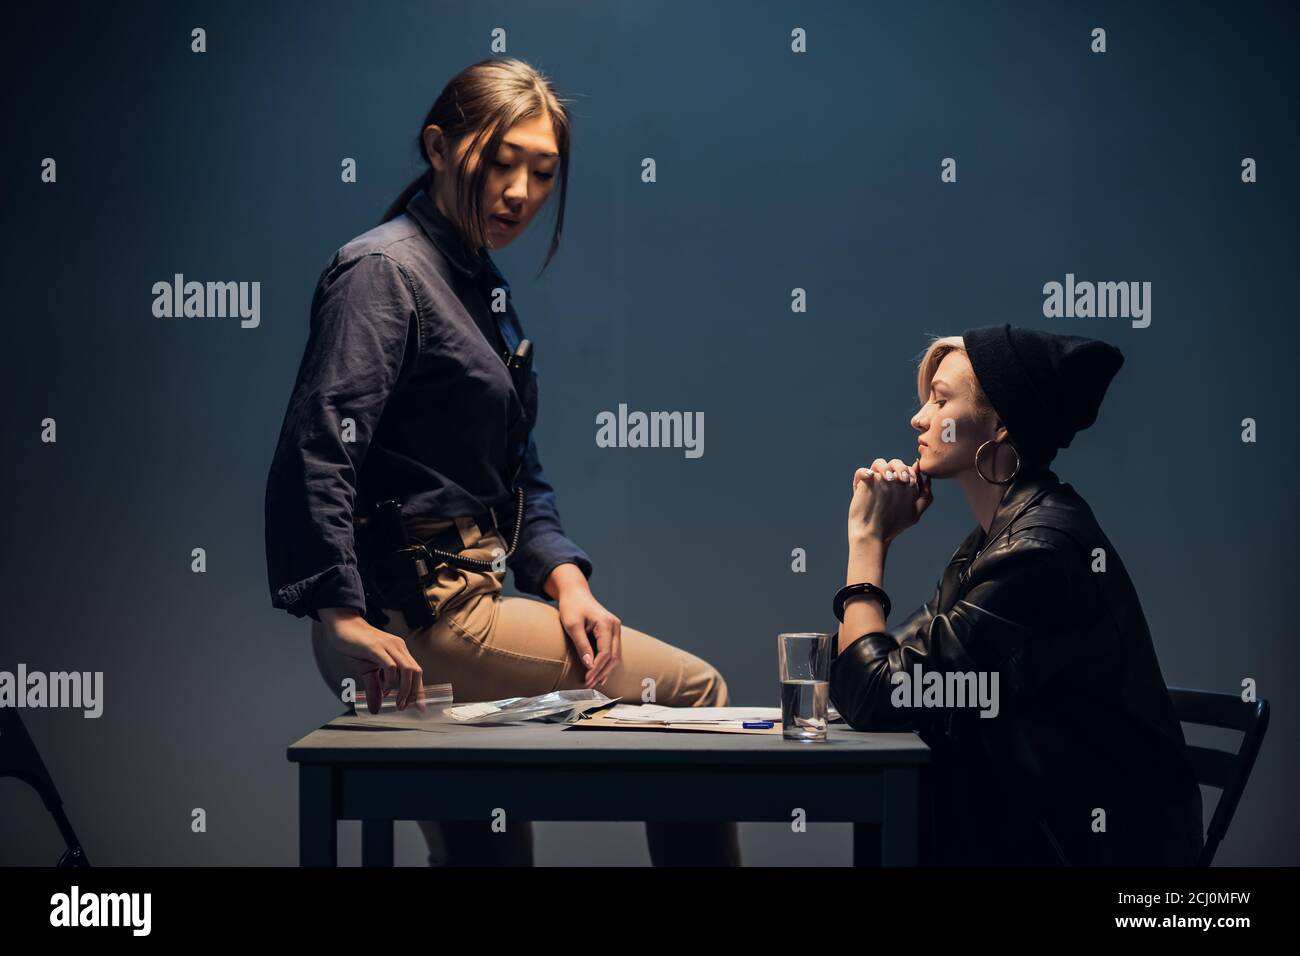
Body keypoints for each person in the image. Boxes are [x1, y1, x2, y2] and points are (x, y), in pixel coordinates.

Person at [264, 57, 740, 866]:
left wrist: (568, 582)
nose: (520, 191)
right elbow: (318, 447)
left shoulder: (478, 285)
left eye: (543, 171)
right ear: (439, 147)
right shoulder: (384, 271)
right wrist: (338, 616)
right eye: (500, 161)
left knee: (489, 857)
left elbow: (519, 477)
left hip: (458, 598)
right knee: (693, 696)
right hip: (421, 622)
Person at [829, 324, 1204, 865]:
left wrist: (867, 541)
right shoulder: (996, 540)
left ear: (1001, 425)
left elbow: (877, 693)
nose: (918, 418)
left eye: (940, 401)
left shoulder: (1038, 552)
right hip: (1025, 831)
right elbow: (885, 678)